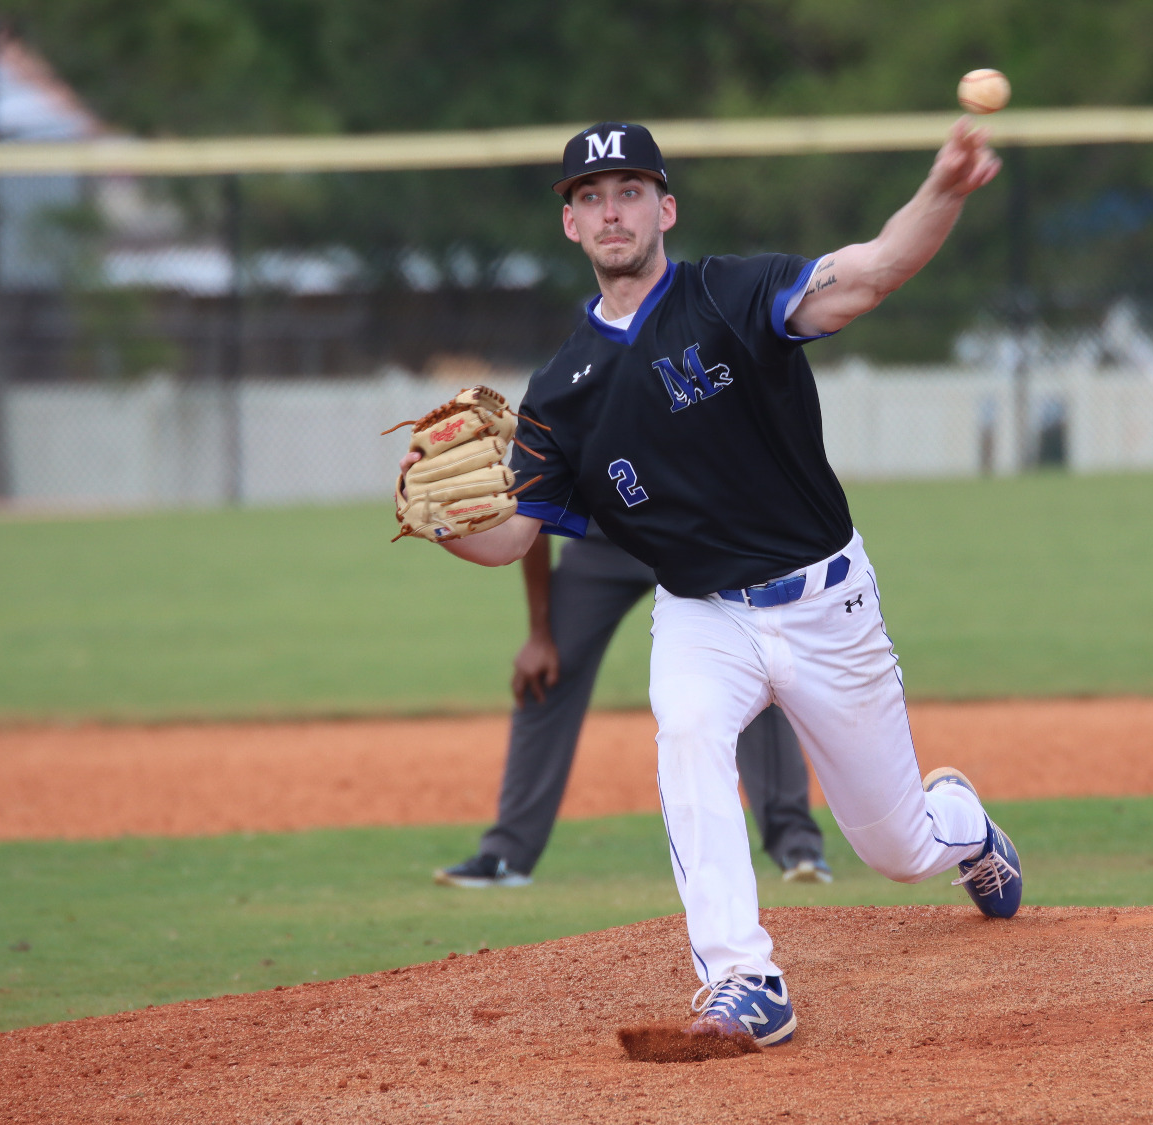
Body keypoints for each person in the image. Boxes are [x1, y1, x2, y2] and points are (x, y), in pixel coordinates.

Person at [427, 118, 1021, 1047]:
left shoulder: (730, 295)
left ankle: (969, 829)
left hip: (827, 604)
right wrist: (440, 525)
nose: (610, 209)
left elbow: (866, 274)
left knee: (898, 847)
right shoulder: (563, 389)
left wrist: (943, 187)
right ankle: (746, 981)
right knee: (690, 731)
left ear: (665, 208)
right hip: (703, 613)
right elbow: (510, 538)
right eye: (590, 197)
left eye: (628, 191)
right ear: (571, 228)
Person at [435, 527, 832, 887]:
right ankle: (507, 854)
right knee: (546, 671)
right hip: (603, 539)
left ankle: (797, 847)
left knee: (743, 665)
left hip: (693, 536)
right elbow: (531, 517)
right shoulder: (541, 443)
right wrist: (540, 634)